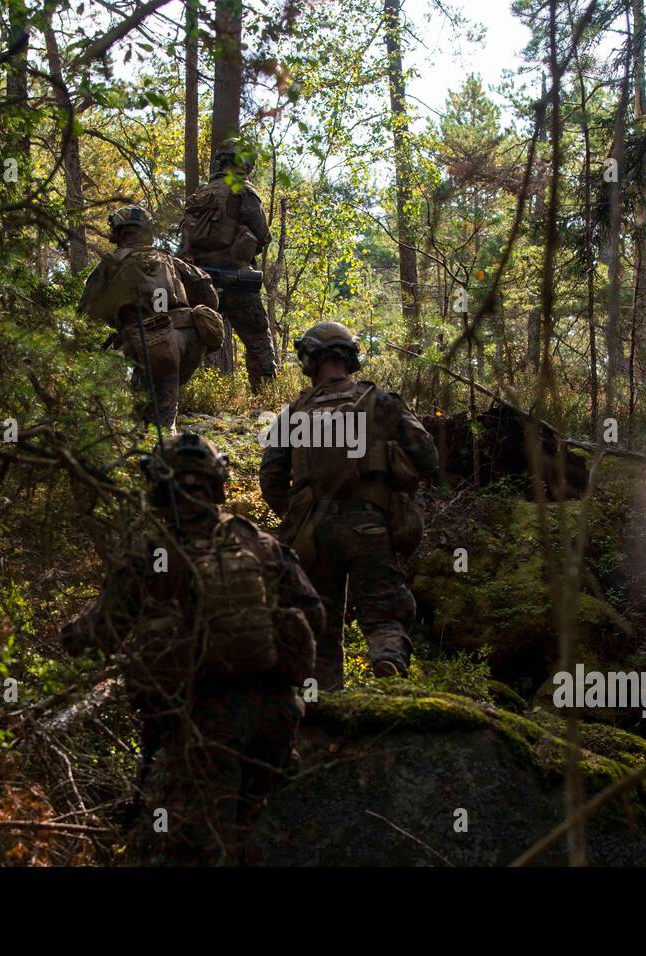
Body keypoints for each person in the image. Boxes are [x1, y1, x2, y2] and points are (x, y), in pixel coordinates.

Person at [61, 433, 323, 865]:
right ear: (217, 486)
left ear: (159, 487)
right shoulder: (258, 542)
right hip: (276, 718)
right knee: (255, 834)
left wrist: (68, 635)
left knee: (197, 850)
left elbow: (99, 636)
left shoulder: (150, 551)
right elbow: (314, 614)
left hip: (201, 724)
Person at [259, 321, 439, 690]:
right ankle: (389, 668)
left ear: (310, 359)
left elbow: (271, 480)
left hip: (312, 532)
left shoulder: (293, 413)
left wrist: (298, 512)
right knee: (385, 613)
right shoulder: (381, 402)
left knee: (320, 625)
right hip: (369, 525)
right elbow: (428, 457)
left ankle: (327, 705)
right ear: (350, 358)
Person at [78, 205, 226, 432]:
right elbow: (209, 296)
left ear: (118, 232)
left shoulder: (111, 263)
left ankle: (155, 453)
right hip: (191, 340)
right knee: (160, 401)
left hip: (152, 344)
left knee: (154, 422)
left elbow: (85, 316)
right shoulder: (170, 260)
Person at [179, 138, 275, 390]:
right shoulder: (243, 190)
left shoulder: (199, 194)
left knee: (190, 338)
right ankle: (264, 397)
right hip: (237, 277)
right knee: (257, 340)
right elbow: (262, 233)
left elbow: (184, 242)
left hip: (201, 280)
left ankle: (176, 393)